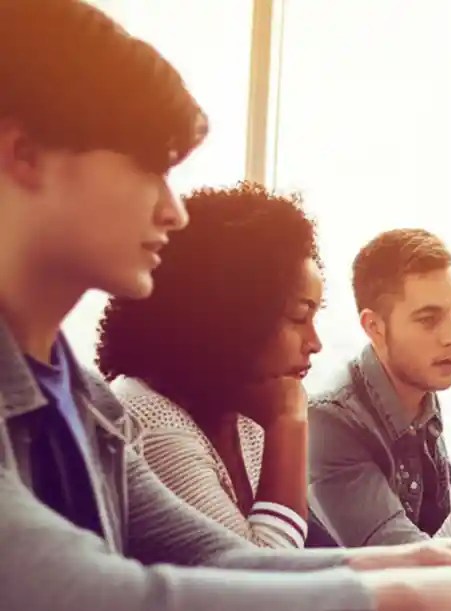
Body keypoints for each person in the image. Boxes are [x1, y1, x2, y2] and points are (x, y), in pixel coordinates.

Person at [0, 3, 451, 611]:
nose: (173, 211)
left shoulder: (86, 398)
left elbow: (220, 559)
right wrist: (394, 595)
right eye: (151, 167)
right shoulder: (131, 405)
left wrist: (409, 560)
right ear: (23, 154)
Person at [96, 182, 323, 548]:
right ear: (233, 315)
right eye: (299, 316)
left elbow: (316, 556)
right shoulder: (150, 421)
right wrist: (289, 424)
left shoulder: (240, 418)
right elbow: (263, 587)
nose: (315, 343)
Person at [309, 229, 451, 545]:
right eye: (428, 319)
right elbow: (399, 554)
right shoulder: (331, 419)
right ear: (374, 327)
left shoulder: (420, 389)